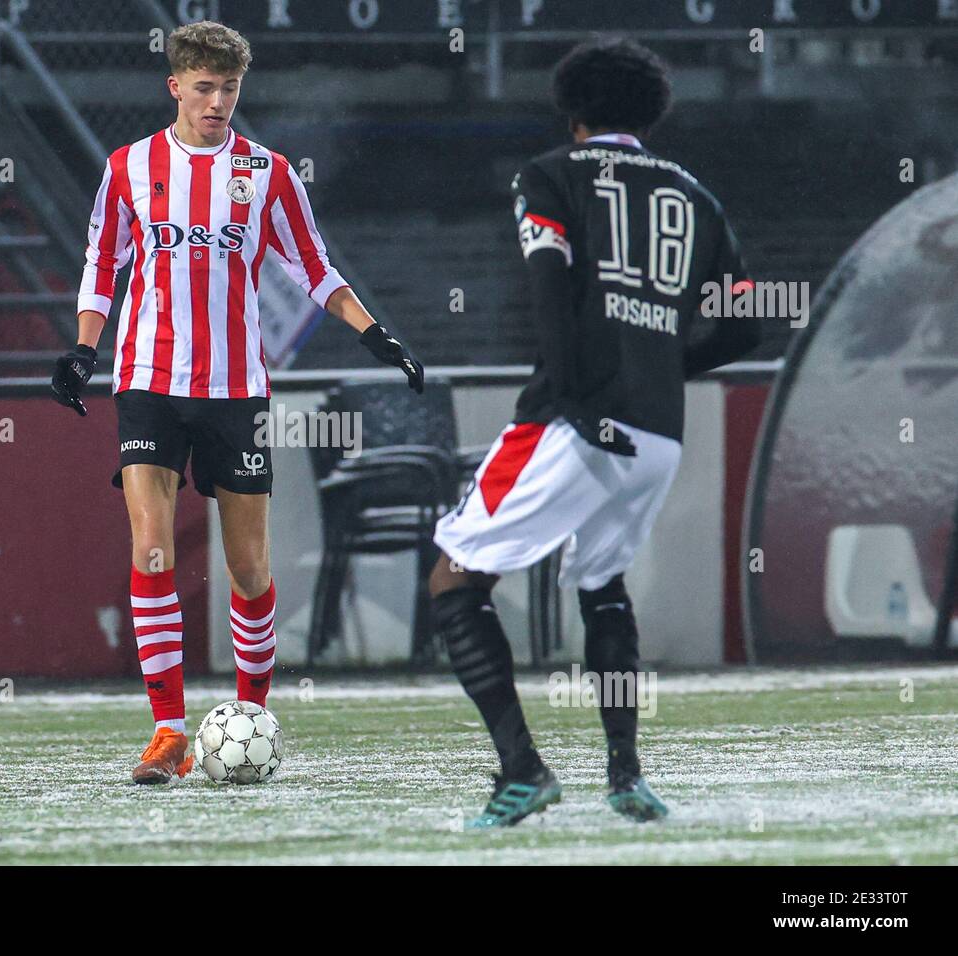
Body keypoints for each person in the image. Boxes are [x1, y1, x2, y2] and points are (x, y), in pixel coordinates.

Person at [50, 21, 423, 784]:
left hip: (235, 391)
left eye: (231, 89)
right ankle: (166, 732)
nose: (219, 102)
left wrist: (373, 334)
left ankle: (253, 711)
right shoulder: (129, 168)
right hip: (147, 383)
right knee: (151, 548)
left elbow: (313, 266)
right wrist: (85, 348)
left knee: (249, 569)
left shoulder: (267, 172)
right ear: (176, 87)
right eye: (206, 88)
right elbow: (102, 263)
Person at [428, 38, 762, 826]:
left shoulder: (549, 174)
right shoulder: (695, 194)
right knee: (602, 584)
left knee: (453, 577)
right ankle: (626, 777)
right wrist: (662, 370)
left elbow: (548, 293)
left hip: (574, 418)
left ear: (572, 112)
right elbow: (748, 321)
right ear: (649, 113)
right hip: (658, 433)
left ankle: (521, 770)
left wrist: (578, 396)